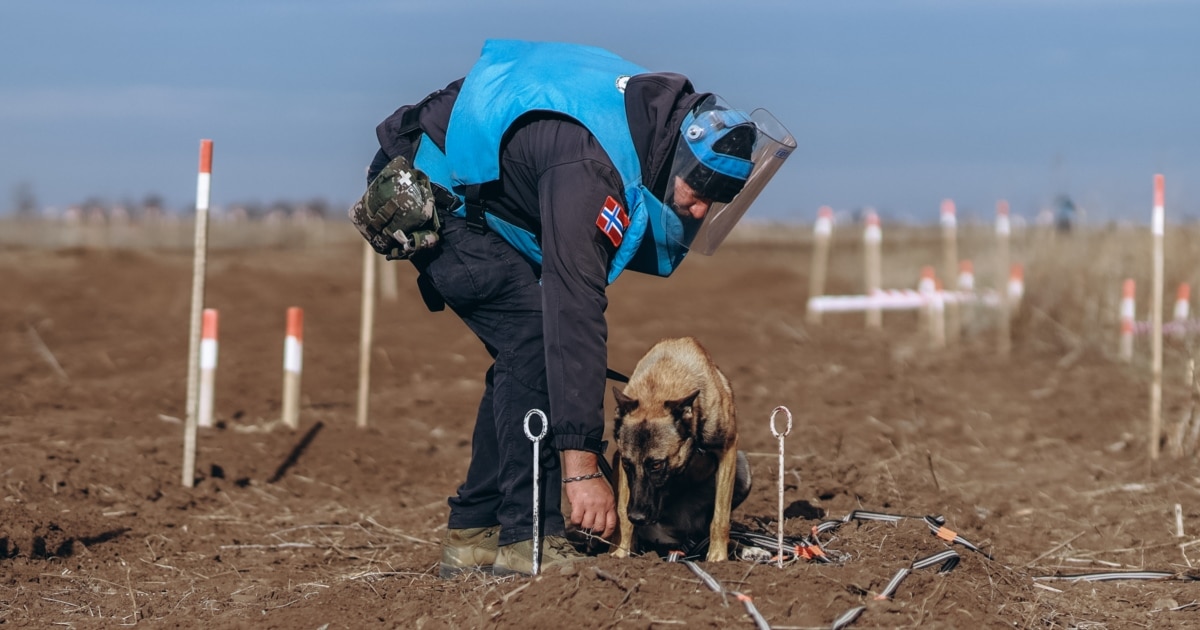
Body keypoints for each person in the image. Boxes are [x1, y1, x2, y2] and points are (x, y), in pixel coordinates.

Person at [355, 39, 794, 577]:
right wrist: (583, 468)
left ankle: (475, 530)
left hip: (470, 190)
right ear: (679, 156)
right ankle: (528, 539)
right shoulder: (590, 170)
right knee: (538, 338)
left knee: (528, 346)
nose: (701, 209)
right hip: (428, 191)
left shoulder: (649, 127)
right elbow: (574, 310)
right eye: (697, 190)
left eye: (717, 200)